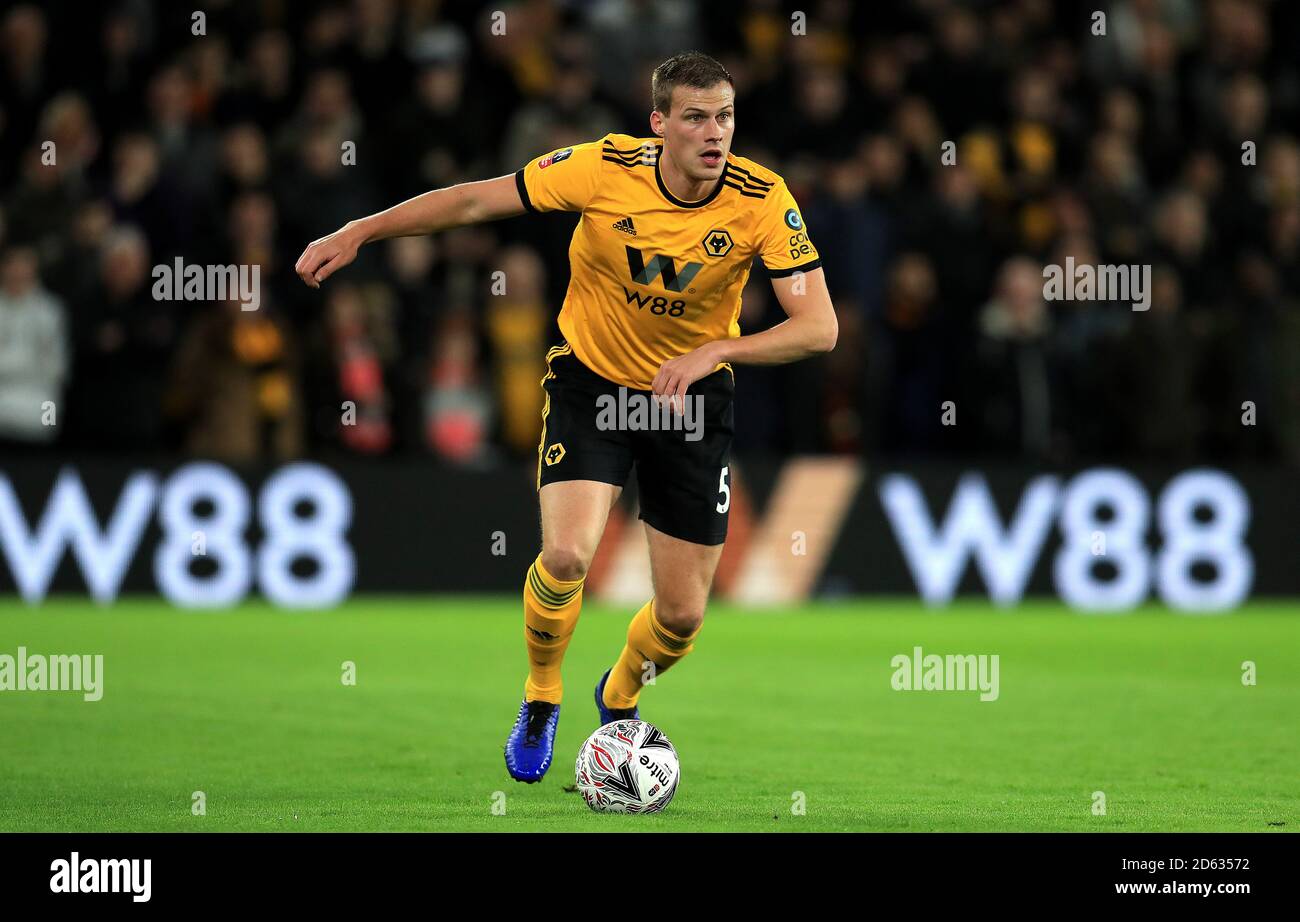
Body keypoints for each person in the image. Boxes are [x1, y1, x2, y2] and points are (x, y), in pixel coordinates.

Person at [295, 51, 837, 783]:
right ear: (659, 124)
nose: (716, 135)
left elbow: (819, 328)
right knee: (568, 558)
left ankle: (617, 693)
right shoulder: (603, 168)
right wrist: (361, 230)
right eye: (697, 118)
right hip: (594, 389)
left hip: (690, 403)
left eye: (726, 117)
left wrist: (716, 350)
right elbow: (472, 202)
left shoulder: (762, 198)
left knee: (680, 618)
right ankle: (541, 695)